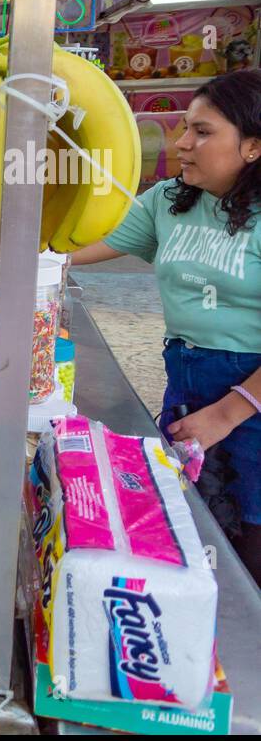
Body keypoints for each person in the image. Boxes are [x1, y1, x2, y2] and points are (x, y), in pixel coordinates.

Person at [71, 68, 261, 585]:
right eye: (184, 129)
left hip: (251, 399)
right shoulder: (168, 203)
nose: (182, 143)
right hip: (186, 387)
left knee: (249, 547)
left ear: (252, 146)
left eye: (203, 132)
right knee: (189, 529)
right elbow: (73, 247)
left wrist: (226, 414)